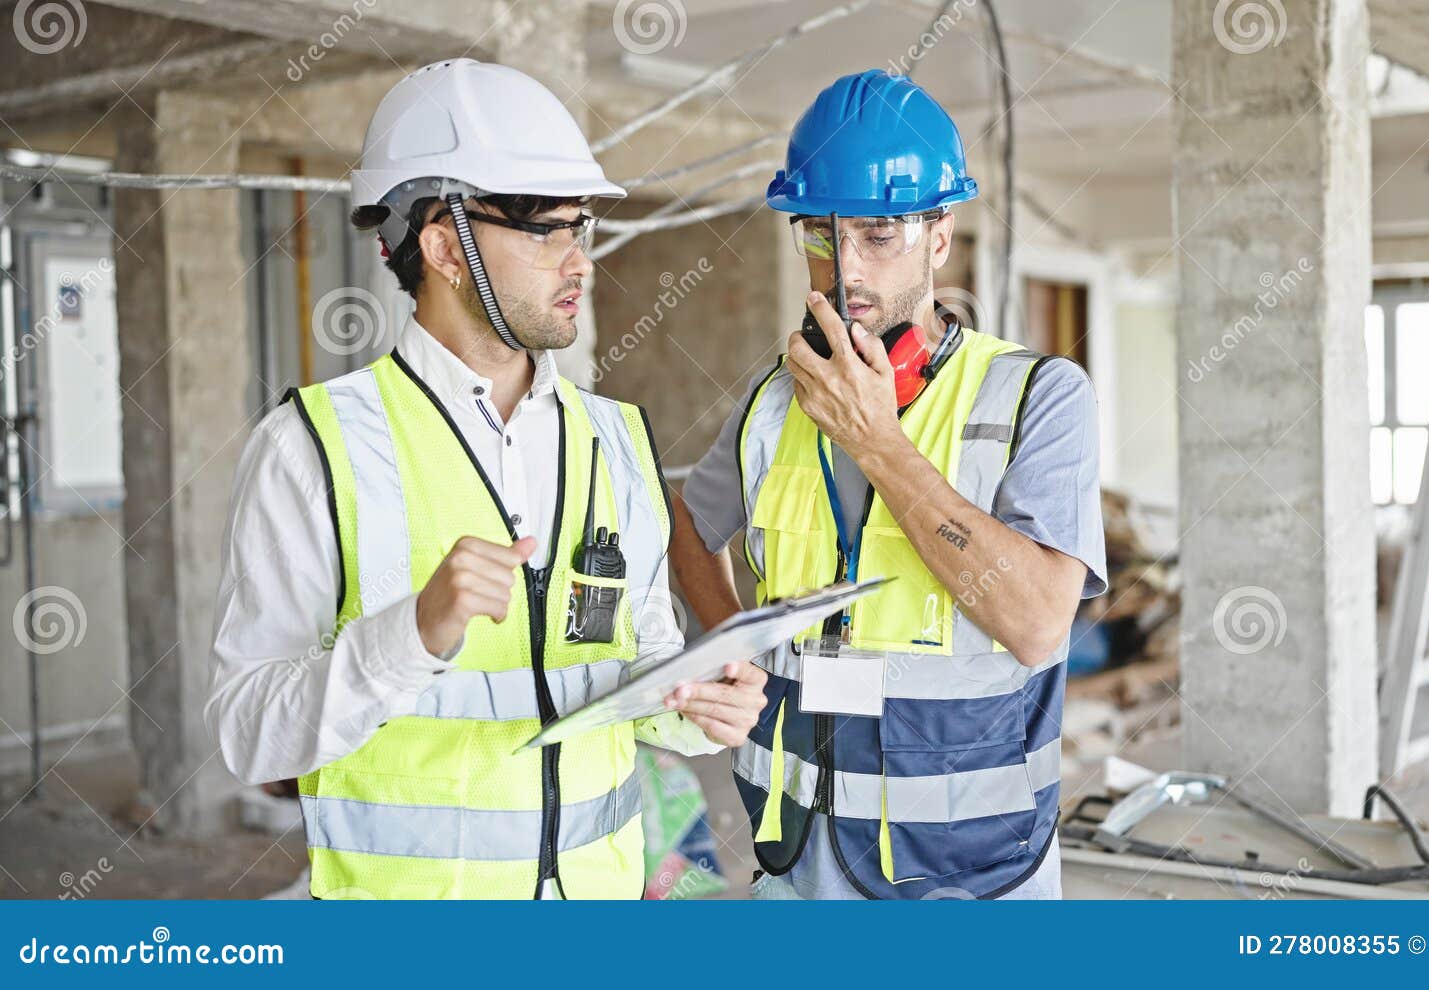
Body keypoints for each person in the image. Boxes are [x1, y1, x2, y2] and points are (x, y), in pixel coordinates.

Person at [206, 59, 766, 900]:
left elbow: (637, 671)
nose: (578, 261)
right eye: (546, 230)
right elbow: (251, 738)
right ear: (443, 245)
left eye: (581, 229)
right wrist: (413, 634)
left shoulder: (615, 438)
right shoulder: (312, 448)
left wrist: (695, 713)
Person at [669, 69, 1107, 900]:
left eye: (880, 236)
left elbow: (1040, 624)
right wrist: (734, 647)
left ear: (940, 236)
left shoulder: (1038, 398)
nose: (847, 273)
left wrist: (879, 442)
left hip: (969, 869)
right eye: (823, 237)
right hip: (793, 847)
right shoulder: (777, 396)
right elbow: (688, 521)